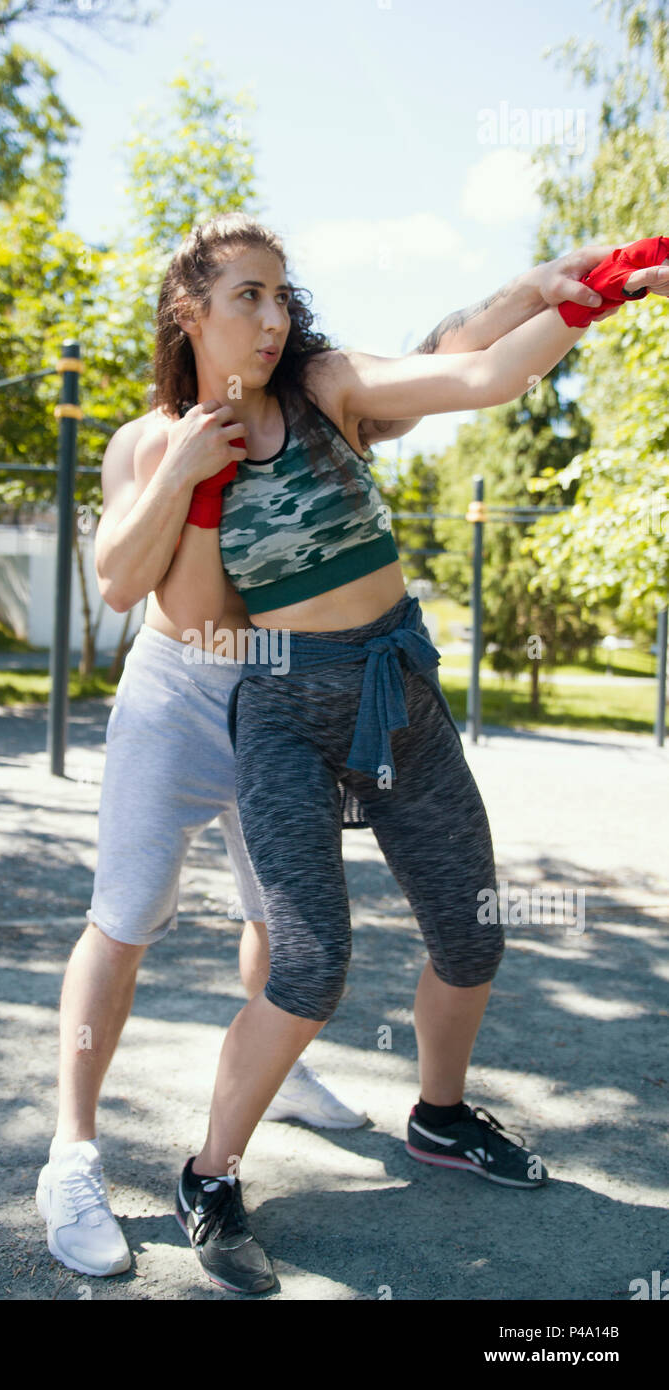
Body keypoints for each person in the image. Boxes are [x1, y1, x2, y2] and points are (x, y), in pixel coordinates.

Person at [35, 211, 654, 1283]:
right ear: (188, 309)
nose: (273, 318)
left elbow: (460, 365)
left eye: (281, 295)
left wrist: (589, 287)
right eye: (247, 298)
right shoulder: (150, 439)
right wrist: (183, 466)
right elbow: (120, 583)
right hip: (198, 692)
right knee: (133, 914)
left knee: (305, 928)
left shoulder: (318, 388)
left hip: (340, 679)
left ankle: (401, 1103)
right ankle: (77, 1151)